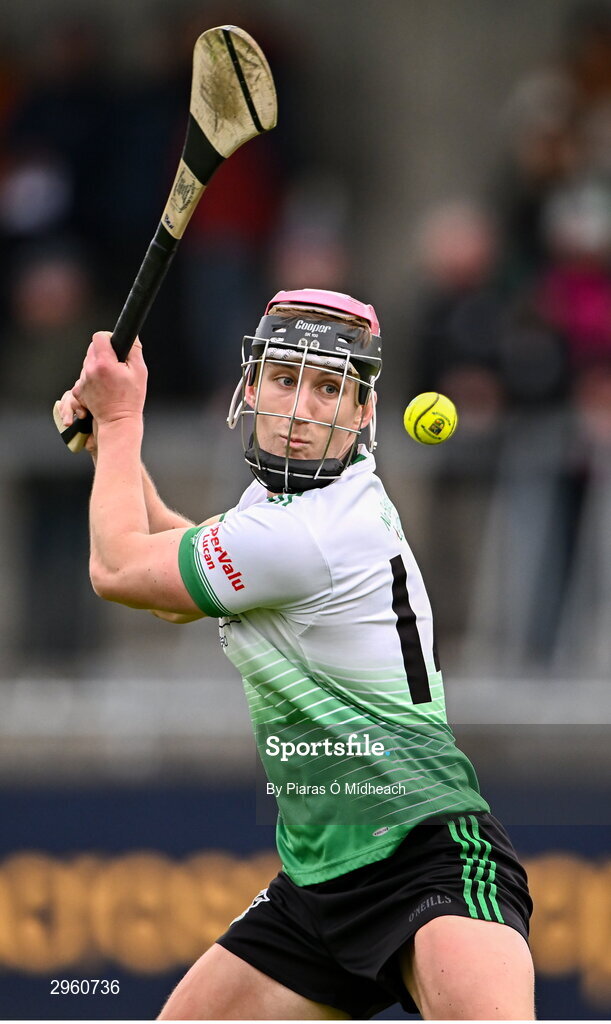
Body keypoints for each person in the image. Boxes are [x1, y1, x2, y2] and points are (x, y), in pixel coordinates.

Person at [58, 288, 535, 1020]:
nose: (300, 409)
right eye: (284, 380)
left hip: (426, 855)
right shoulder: (274, 511)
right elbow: (171, 576)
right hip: (319, 881)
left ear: (362, 412)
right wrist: (108, 448)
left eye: (328, 388)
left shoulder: (310, 533)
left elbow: (119, 571)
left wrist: (122, 419)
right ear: (250, 388)